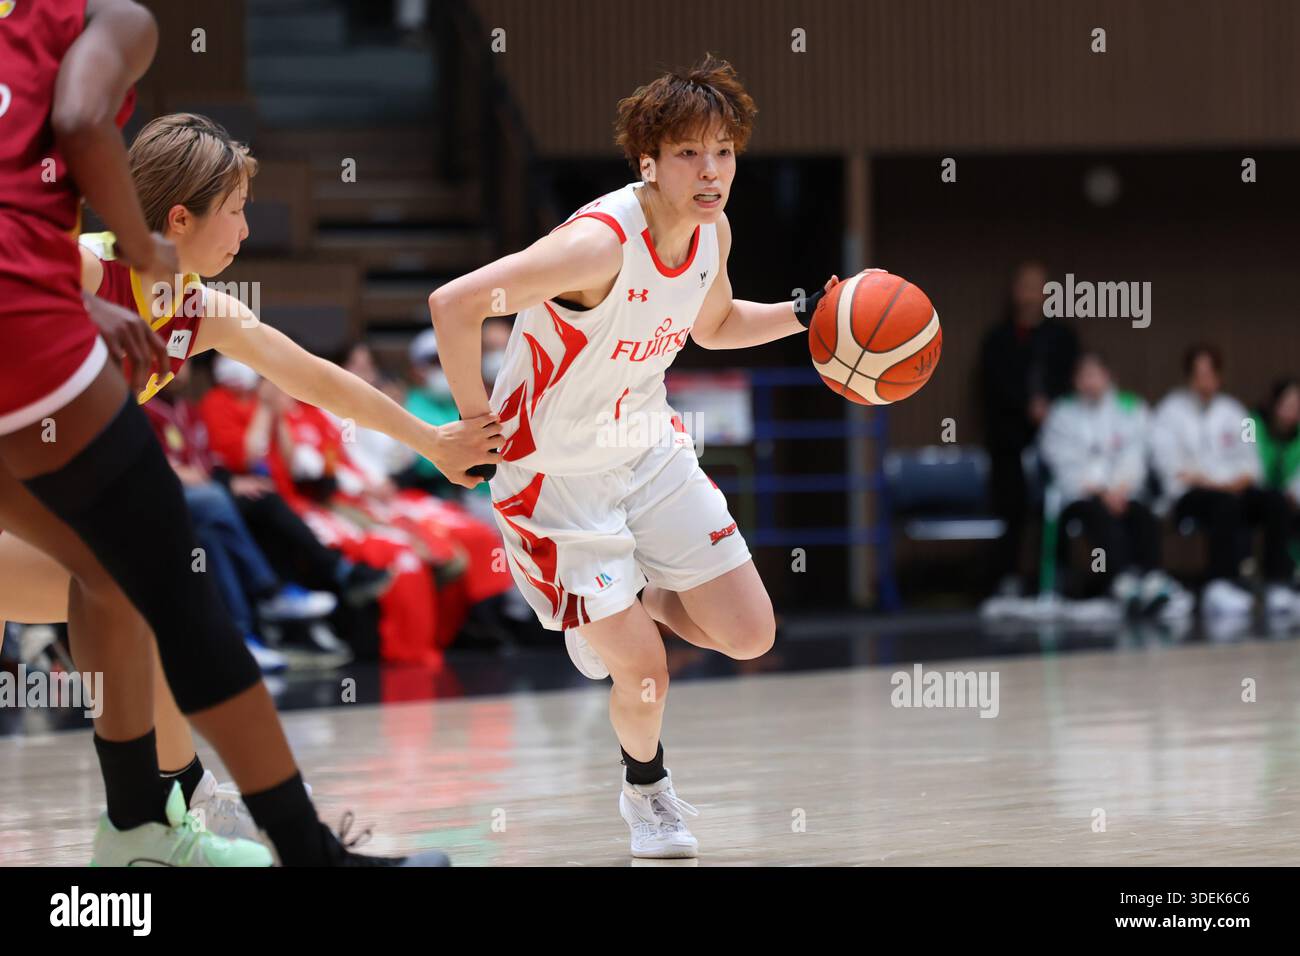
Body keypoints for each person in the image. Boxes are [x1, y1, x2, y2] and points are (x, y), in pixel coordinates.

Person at [0, 0, 448, 865]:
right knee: (143, 586)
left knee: (136, 590)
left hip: (35, 496)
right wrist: (89, 299)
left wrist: (437, 444)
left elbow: (323, 384)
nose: (248, 229)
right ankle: (189, 822)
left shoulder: (200, 312)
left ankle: (166, 822)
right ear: (177, 223)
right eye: (237, 210)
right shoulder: (95, 259)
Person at [426, 54, 839, 858]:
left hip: (646, 449)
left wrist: (805, 310)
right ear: (647, 161)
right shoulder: (597, 245)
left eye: (722, 151)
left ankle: (627, 602)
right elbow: (456, 302)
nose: (710, 169)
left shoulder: (712, 230)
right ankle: (647, 791)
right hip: (554, 483)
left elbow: (714, 325)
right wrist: (473, 423)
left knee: (751, 633)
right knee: (646, 672)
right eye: (688, 152)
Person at [1038, 351, 1185, 616]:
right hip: (1081, 494)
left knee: (1144, 516)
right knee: (1099, 516)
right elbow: (1061, 461)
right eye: (1084, 375)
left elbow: (1137, 455)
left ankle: (1151, 581)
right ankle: (1121, 583)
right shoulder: (1062, 413)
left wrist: (1119, 488)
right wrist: (1100, 490)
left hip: (1123, 491)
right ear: (1075, 380)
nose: (1090, 381)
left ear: (1108, 376)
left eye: (1095, 374)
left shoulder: (1131, 408)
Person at [1150, 344, 1276, 616]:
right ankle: (1220, 584)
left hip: (1233, 488)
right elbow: (1170, 466)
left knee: (1273, 502)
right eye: (1199, 374)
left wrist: (1240, 479)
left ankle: (1279, 583)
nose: (1204, 380)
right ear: (1188, 376)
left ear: (1219, 376)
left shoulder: (1239, 413)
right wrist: (1213, 482)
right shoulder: (1168, 412)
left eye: (1210, 373)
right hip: (1191, 496)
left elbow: (1252, 461)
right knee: (1224, 504)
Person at [978, 261, 1080, 594]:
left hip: (1057, 438)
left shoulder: (1061, 337)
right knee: (1011, 507)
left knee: (1056, 504)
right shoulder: (997, 339)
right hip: (1010, 439)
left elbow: (1072, 381)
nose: (1030, 294)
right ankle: (1006, 578)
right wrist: (1026, 406)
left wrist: (1050, 405)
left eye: (1037, 286)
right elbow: (991, 386)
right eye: (1024, 285)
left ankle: (1056, 576)